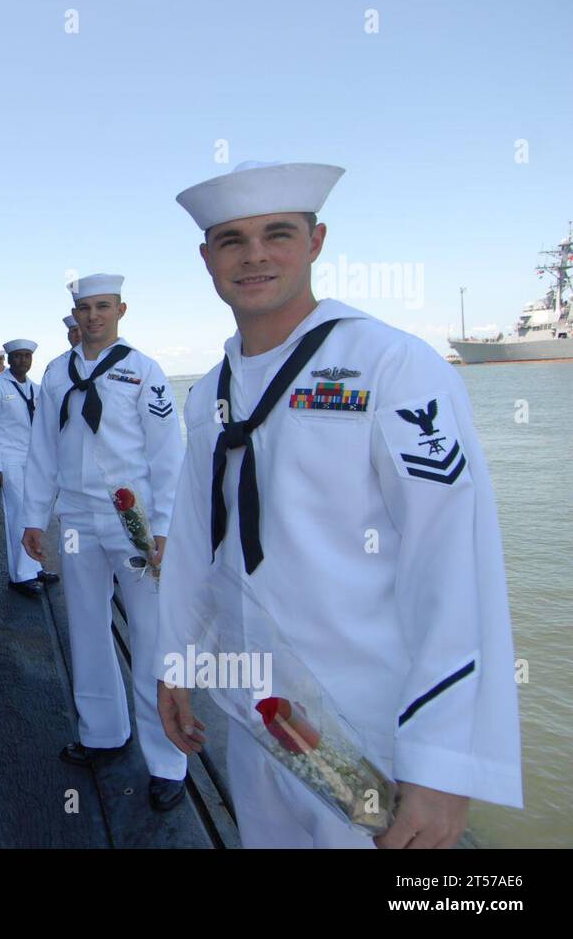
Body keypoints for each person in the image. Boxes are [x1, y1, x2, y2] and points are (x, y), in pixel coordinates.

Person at [155, 160, 523, 847]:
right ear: (207, 258)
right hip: (255, 714)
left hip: (367, 729)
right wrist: (175, 663)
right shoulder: (210, 392)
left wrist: (444, 764)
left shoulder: (392, 366)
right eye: (232, 240)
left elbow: (453, 562)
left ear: (317, 242)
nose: (255, 254)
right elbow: (196, 538)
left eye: (278, 234)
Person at [21, 274, 189, 811]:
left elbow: (167, 455)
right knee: (87, 627)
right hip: (75, 516)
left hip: (131, 519)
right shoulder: (55, 374)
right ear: (74, 314)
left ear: (120, 309)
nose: (92, 316)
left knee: (151, 634)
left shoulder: (144, 373)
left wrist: (165, 525)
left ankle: (167, 759)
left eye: (102, 307)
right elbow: (42, 452)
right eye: (83, 308)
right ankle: (103, 733)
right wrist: (31, 516)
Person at [0, 339, 58, 596]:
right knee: (17, 517)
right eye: (18, 356)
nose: (23, 361)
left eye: (27, 356)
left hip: (32, 461)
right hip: (9, 461)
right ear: (9, 359)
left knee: (35, 514)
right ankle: (20, 575)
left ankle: (34, 567)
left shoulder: (36, 389)